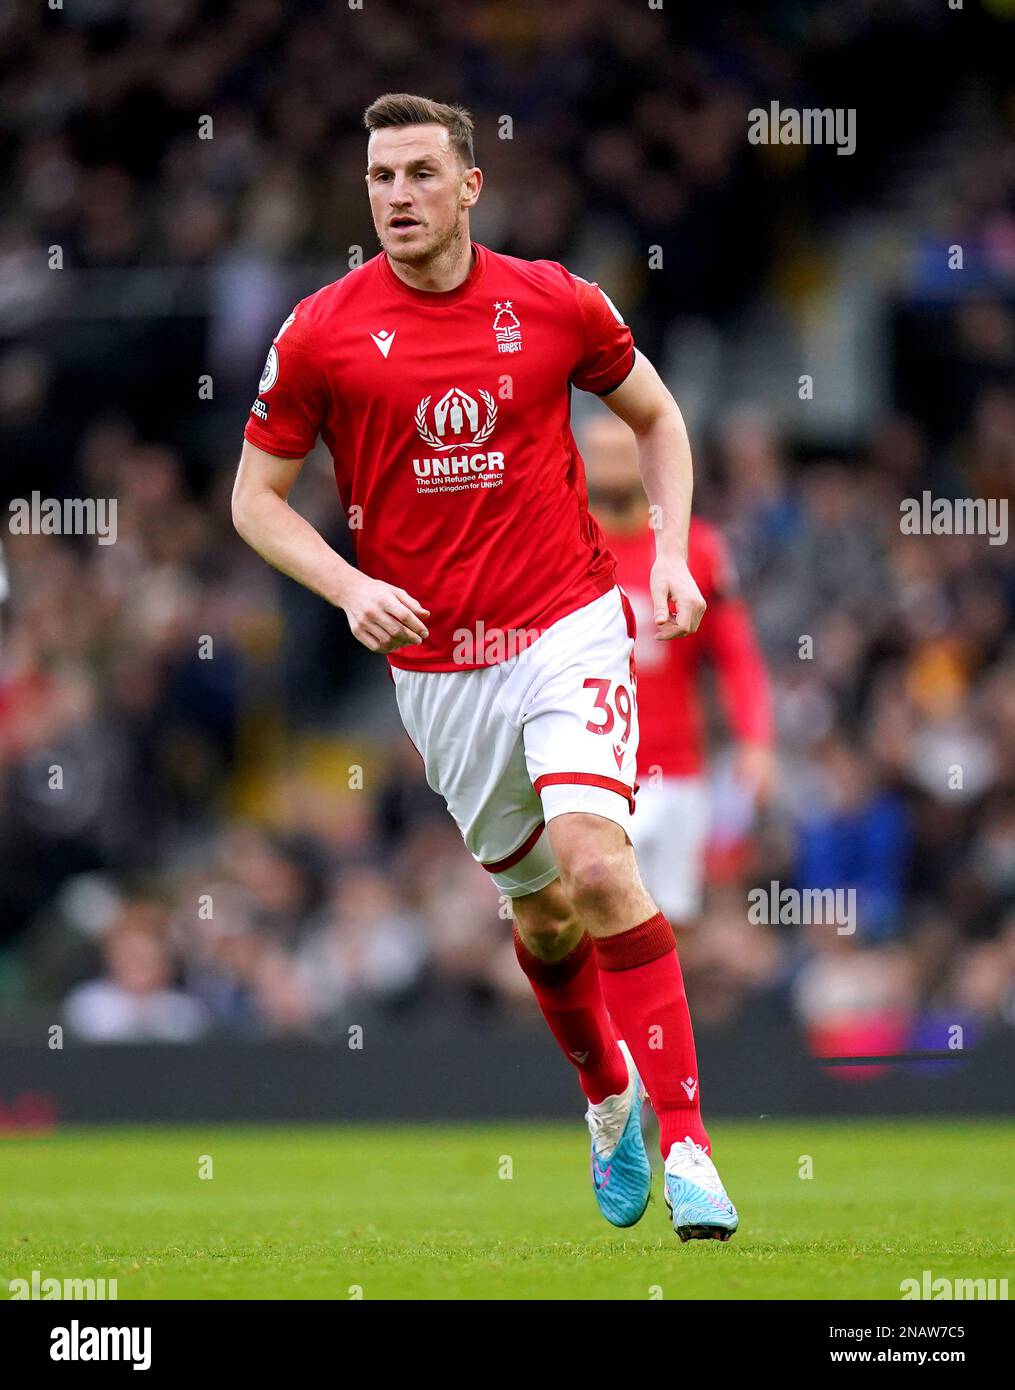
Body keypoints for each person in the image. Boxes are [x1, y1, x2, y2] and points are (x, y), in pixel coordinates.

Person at [232, 92, 738, 1241]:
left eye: (418, 172)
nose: (397, 196)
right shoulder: (320, 331)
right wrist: (351, 586)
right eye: (379, 178)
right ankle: (606, 1096)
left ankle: (694, 1146)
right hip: (439, 670)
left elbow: (657, 418)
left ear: (469, 186)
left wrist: (664, 550)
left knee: (597, 866)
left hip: (567, 622)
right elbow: (252, 501)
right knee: (546, 917)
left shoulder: (554, 301)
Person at [584, 414, 775, 935]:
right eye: (599, 454)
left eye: (623, 452)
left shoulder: (694, 547)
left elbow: (736, 652)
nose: (612, 466)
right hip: (588, 766)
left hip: (676, 767)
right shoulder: (565, 548)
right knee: (595, 910)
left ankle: (659, 1021)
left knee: (672, 924)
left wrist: (754, 739)